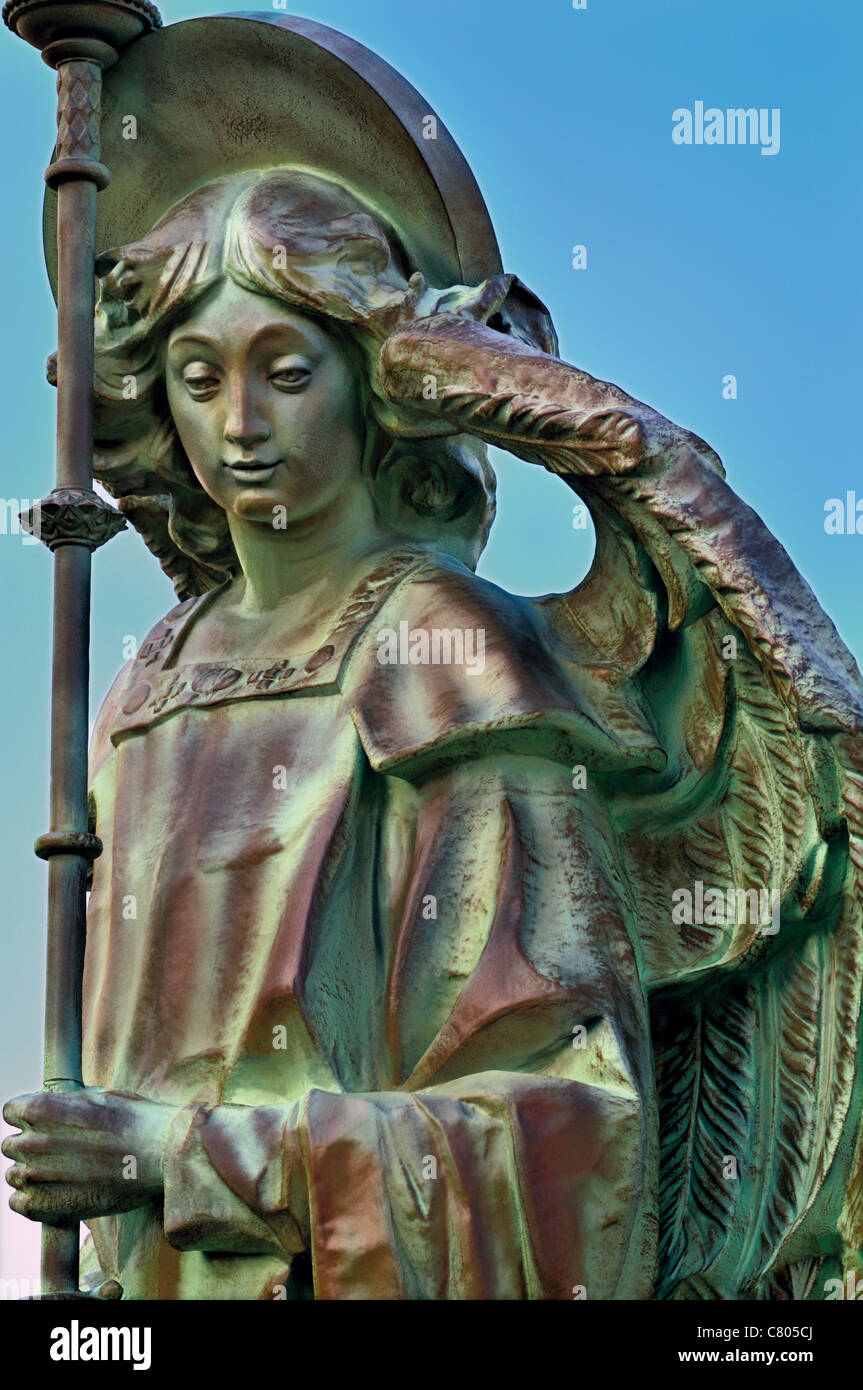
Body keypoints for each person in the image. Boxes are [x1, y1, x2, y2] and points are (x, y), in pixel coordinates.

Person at [4, 167, 862, 1301]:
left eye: (288, 372)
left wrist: (177, 1156)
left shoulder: (436, 652)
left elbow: (561, 1126)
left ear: (372, 385)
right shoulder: (150, 678)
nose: (241, 426)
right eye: (198, 379)